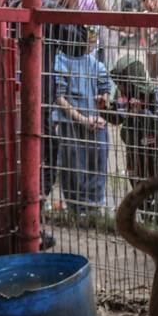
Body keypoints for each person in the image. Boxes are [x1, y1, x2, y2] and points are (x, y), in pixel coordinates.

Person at [52, 21, 111, 215]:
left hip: (95, 122)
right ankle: (77, 208)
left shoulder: (94, 63)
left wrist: (103, 100)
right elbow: (59, 96)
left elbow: (105, 89)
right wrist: (83, 119)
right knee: (74, 166)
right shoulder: (59, 62)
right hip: (71, 123)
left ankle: (93, 207)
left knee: (96, 162)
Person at [109, 56, 158, 214]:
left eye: (122, 83)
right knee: (135, 179)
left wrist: (142, 113)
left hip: (152, 147)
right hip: (133, 146)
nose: (119, 86)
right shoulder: (121, 95)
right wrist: (103, 110)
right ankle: (144, 211)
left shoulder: (154, 92)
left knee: (156, 179)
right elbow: (117, 118)